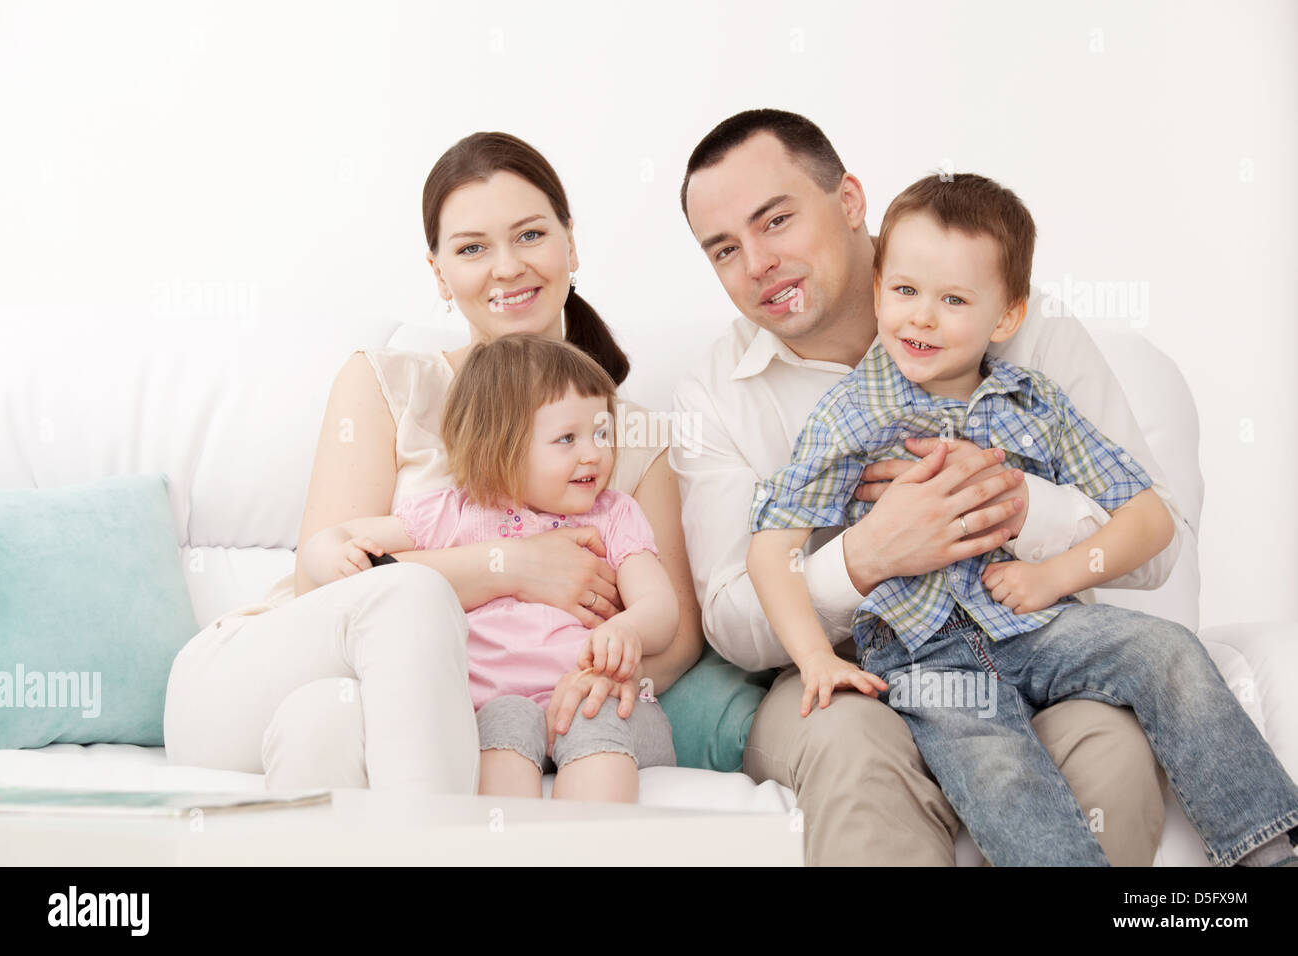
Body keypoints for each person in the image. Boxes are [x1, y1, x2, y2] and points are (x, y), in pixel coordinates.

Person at [672, 108, 1185, 865]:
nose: (757, 263)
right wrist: (864, 557)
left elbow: (1157, 542)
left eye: (775, 220)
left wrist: (1014, 508)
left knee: (1110, 743)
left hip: (1027, 639)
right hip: (845, 673)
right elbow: (730, 621)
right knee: (851, 749)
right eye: (723, 249)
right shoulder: (715, 394)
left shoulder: (1027, 322)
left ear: (849, 201)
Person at [746, 172, 1298, 867]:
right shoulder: (850, 414)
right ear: (878, 286)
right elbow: (772, 547)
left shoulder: (1033, 402)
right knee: (1002, 769)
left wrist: (1054, 576)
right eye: (906, 291)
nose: (920, 317)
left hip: (1036, 623)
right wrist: (815, 657)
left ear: (1006, 316)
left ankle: (1268, 851)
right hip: (926, 650)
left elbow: (1151, 517)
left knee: (1172, 653)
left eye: (952, 300)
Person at [164, 131, 703, 793]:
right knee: (403, 607)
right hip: (261, 673)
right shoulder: (386, 383)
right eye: (472, 248)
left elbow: (673, 636)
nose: (506, 268)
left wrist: (563, 697)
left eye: (530, 235)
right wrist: (517, 567)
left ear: (571, 242)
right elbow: (324, 582)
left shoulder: (628, 438)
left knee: (325, 729)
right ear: (439, 273)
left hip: (372, 709)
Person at [298, 335, 678, 803]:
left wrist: (628, 631)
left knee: (595, 716)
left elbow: (660, 607)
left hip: (601, 700)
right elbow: (328, 541)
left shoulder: (614, 514)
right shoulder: (455, 513)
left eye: (602, 434)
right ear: (499, 446)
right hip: (492, 706)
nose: (594, 454)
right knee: (499, 726)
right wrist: (336, 554)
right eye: (567, 439)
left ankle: (589, 847)